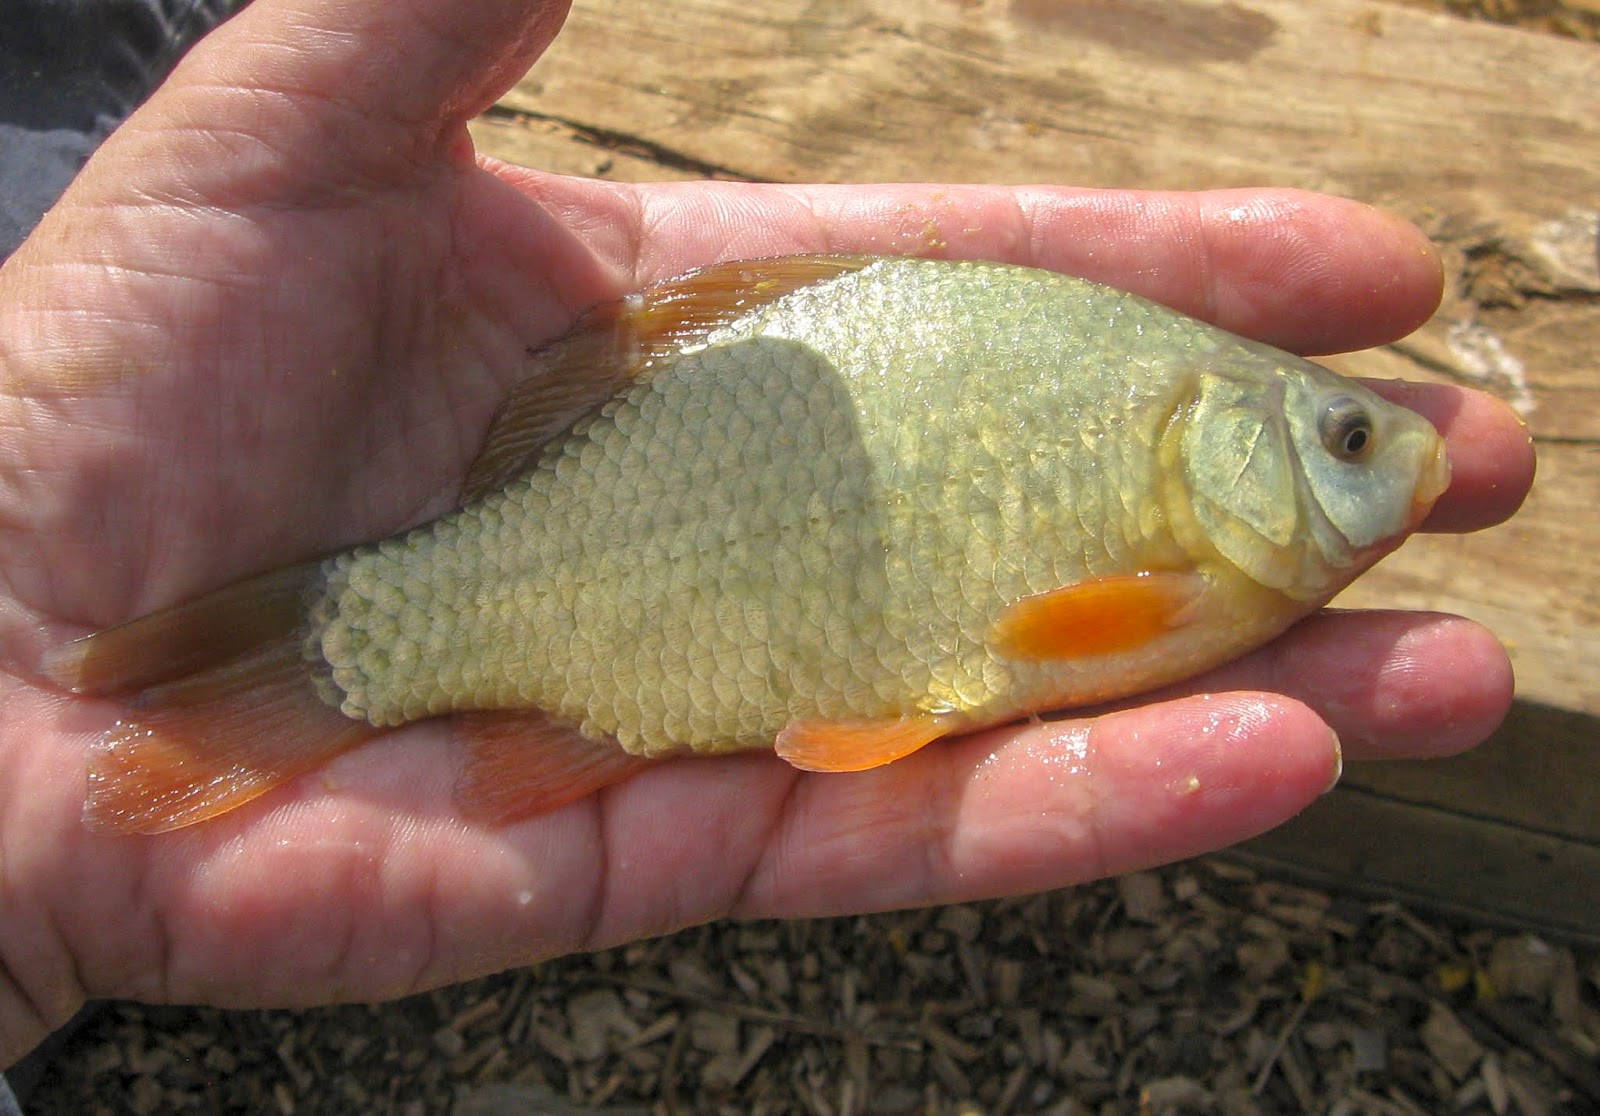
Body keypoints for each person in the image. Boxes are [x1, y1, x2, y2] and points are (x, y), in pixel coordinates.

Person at [0, 0, 1534, 1099]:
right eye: (1343, 437)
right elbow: (1074, 633)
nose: (1382, 463)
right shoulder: (1198, 552)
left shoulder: (1177, 485)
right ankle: (268, 677)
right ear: (1214, 425)